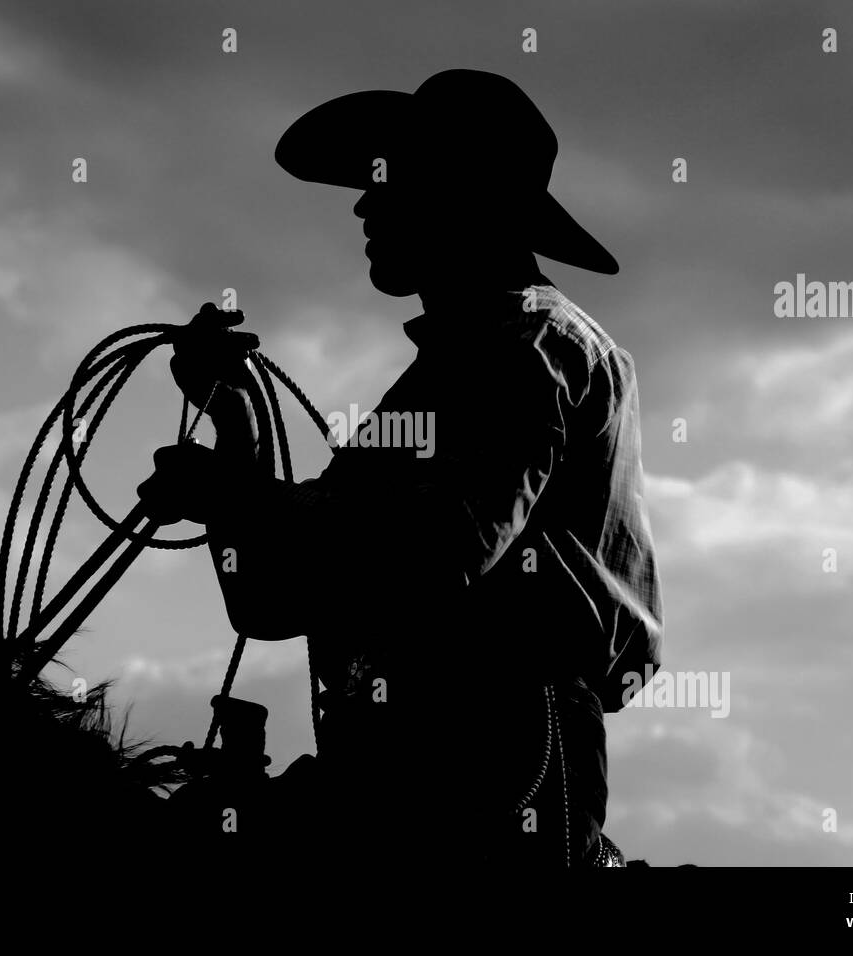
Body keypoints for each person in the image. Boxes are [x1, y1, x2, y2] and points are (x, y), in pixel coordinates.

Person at [141, 69, 663, 868]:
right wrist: (236, 420)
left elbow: (441, 549)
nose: (362, 205)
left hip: (488, 779)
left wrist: (233, 494)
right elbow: (271, 597)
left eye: (387, 180)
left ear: (462, 194)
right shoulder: (442, 379)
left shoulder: (537, 347)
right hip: (395, 770)